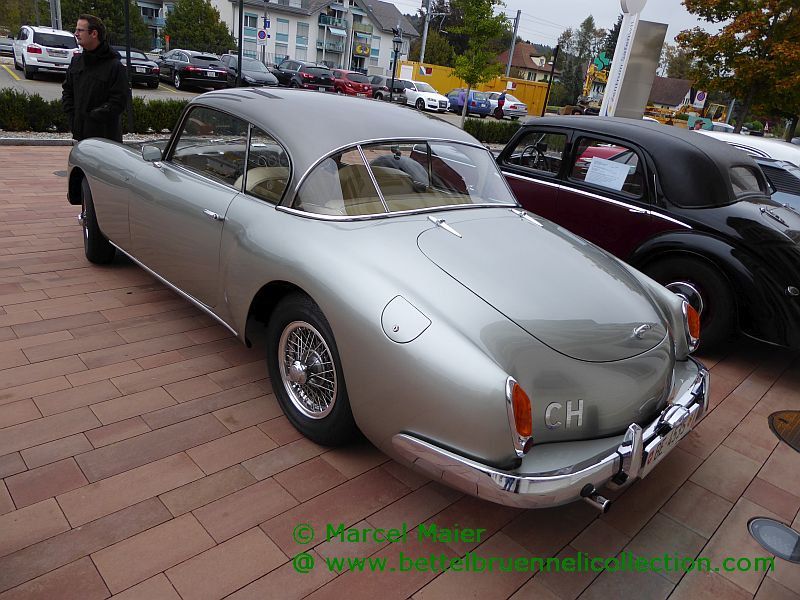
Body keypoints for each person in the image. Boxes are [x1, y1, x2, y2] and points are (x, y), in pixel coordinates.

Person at [62, 15, 130, 142]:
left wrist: (92, 118)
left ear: (94, 33)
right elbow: (67, 91)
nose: (76, 34)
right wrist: (72, 115)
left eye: (80, 30)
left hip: (106, 140)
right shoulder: (76, 62)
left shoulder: (114, 66)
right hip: (80, 137)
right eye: (76, 30)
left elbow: (119, 102)